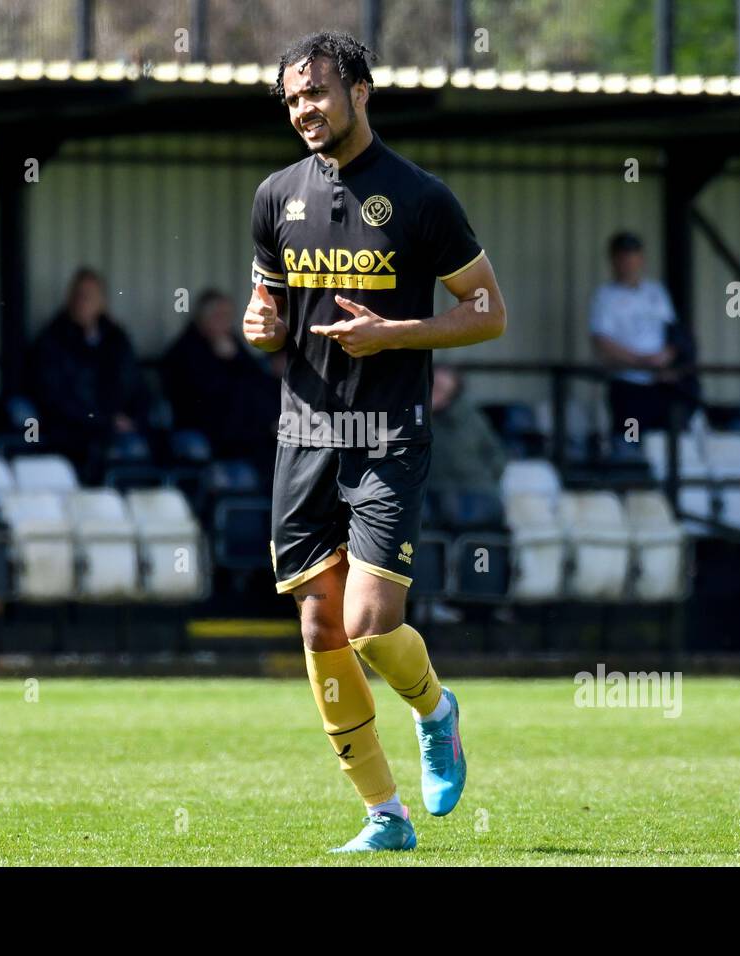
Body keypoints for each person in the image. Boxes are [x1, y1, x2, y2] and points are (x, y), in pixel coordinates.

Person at [245, 31, 506, 853]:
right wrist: (261, 329)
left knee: (367, 623)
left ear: (361, 91)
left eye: (316, 93)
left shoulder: (422, 198)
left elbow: (488, 312)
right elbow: (269, 318)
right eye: (291, 100)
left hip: (388, 436)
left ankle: (435, 709)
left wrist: (398, 334)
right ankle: (384, 817)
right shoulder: (274, 196)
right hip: (303, 437)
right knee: (320, 631)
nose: (303, 111)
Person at [28, 268, 148, 484]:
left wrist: (133, 418)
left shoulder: (117, 339)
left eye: (89, 296)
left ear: (102, 302)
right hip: (72, 430)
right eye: (79, 295)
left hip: (116, 426)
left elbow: (135, 385)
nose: (83, 302)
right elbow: (53, 396)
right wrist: (105, 421)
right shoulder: (52, 340)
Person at [589, 231, 698, 436]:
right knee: (632, 439)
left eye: (632, 256)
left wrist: (666, 357)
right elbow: (601, 339)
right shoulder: (605, 296)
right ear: (613, 260)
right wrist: (640, 360)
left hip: (660, 383)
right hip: (628, 384)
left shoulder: (655, 292)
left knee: (664, 441)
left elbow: (672, 330)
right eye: (622, 257)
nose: (628, 262)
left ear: (641, 259)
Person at [161, 289, 279, 470]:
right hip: (204, 427)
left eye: (228, 316)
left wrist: (234, 359)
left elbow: (258, 380)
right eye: (219, 316)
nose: (225, 322)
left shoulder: (233, 344)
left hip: (241, 428)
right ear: (202, 318)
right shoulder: (185, 349)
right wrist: (228, 362)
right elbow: (204, 391)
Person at [429, 365, 507, 494]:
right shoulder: (415, 416)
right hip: (430, 494)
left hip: (472, 491)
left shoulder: (470, 417)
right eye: (433, 386)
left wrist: (488, 479)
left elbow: (494, 452)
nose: (436, 392)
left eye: (441, 388)